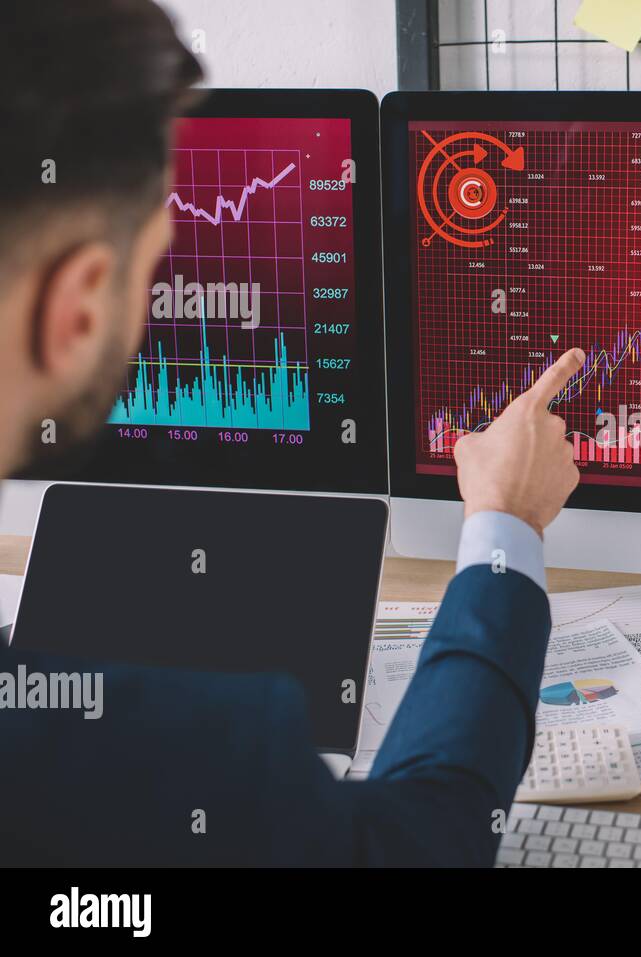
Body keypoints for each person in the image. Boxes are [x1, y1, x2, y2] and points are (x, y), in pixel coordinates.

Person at [0, 0, 583, 865]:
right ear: (77, 305)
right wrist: (504, 528)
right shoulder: (164, 751)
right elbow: (425, 841)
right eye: (156, 260)